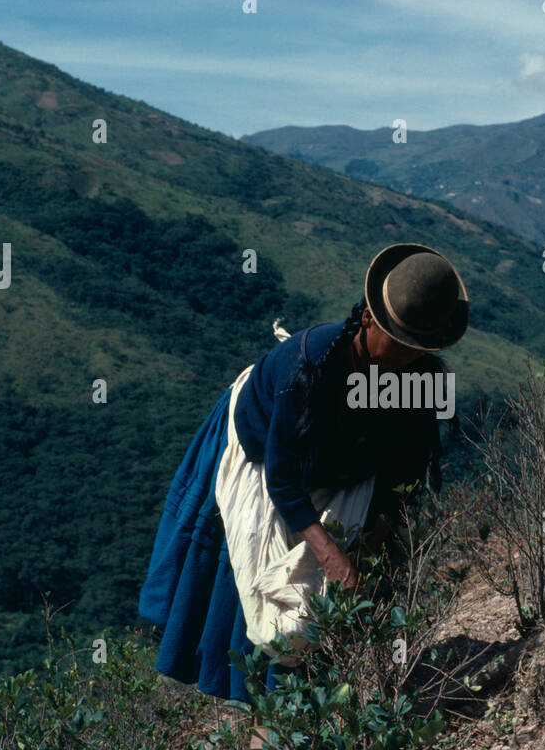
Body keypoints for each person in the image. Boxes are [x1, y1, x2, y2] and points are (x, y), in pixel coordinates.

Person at [137, 243, 469, 718]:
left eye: (419, 351)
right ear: (370, 321)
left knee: (352, 582)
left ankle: (329, 708)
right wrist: (332, 555)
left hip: (343, 468)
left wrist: (374, 541)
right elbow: (283, 480)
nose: (406, 362)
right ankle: (265, 717)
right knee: (272, 583)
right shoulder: (307, 368)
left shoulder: (414, 379)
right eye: (398, 346)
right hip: (265, 456)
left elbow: (406, 473)